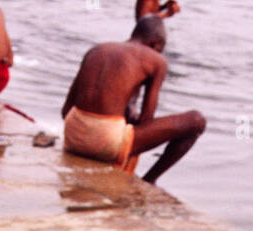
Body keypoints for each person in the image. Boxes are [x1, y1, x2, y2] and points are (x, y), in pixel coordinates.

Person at [62, 15, 205, 183]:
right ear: (154, 44)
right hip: (105, 141)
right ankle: (150, 180)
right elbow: (147, 120)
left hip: (72, 136)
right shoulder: (157, 60)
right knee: (197, 121)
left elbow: (66, 110)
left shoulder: (97, 49)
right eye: (160, 49)